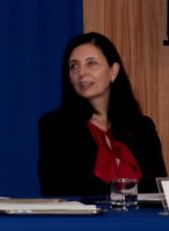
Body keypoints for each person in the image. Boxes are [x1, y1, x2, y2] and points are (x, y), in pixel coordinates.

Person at [38, 32, 166, 196]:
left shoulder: (142, 128)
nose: (81, 73)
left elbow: (160, 193)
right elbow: (56, 190)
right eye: (74, 66)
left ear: (113, 71)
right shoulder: (55, 127)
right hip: (88, 222)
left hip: (141, 221)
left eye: (91, 63)